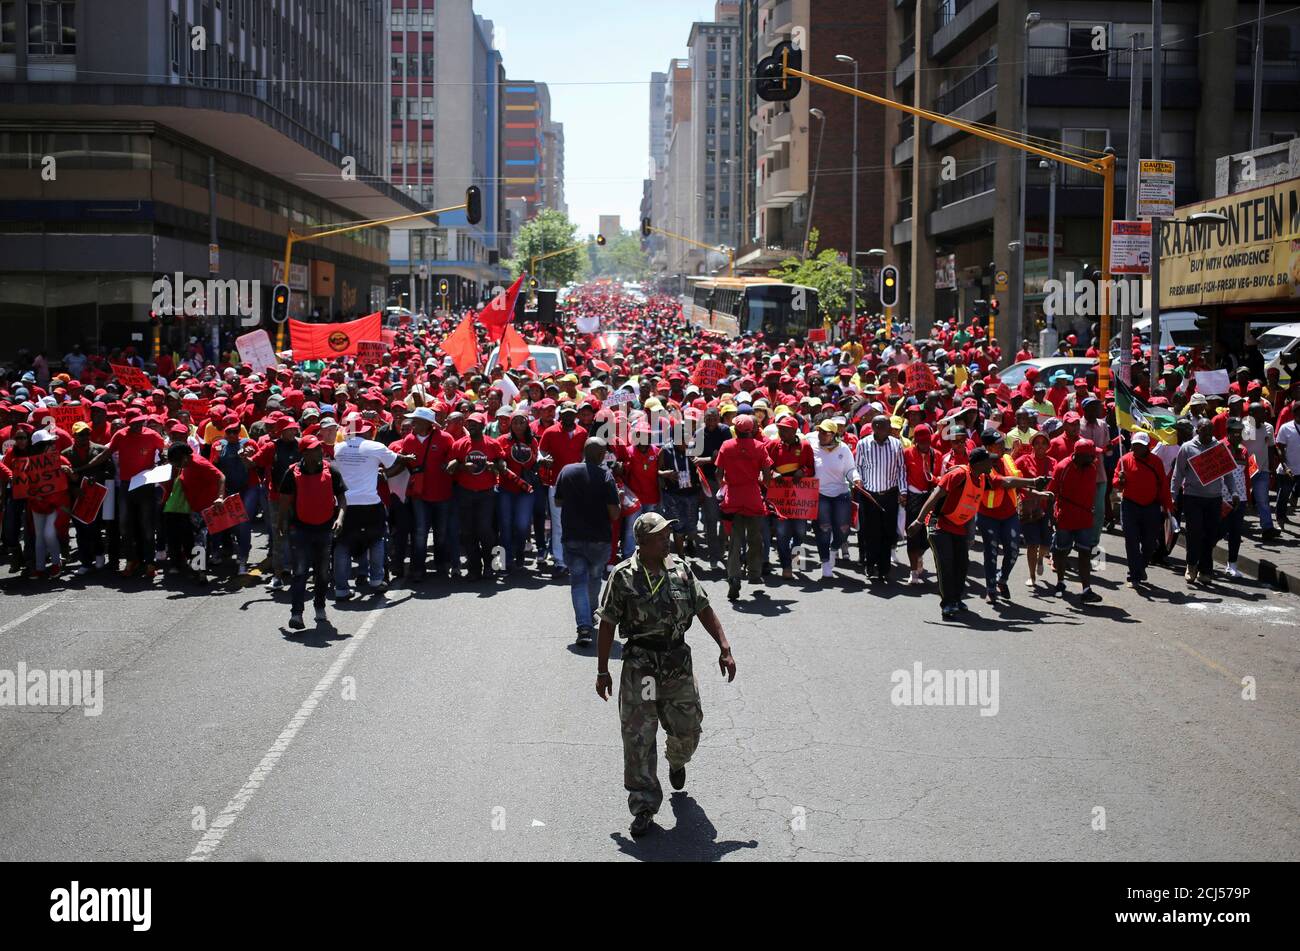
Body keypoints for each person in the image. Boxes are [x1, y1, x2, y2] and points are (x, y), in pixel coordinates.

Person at [594, 511, 735, 839]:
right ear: (642, 542)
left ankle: (677, 759)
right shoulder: (623, 576)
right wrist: (602, 670)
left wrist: (724, 647)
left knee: (688, 729)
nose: (666, 539)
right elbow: (608, 623)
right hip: (641, 665)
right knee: (639, 736)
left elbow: (703, 608)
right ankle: (643, 805)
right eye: (659, 535)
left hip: (676, 662)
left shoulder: (681, 570)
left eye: (667, 534)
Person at [907, 447, 1047, 620]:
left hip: (958, 524)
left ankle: (957, 599)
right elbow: (935, 495)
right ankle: (948, 603)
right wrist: (919, 521)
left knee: (962, 564)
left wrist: (1033, 482)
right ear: (980, 463)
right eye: (989, 461)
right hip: (938, 522)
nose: (993, 463)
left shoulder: (983, 478)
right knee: (946, 564)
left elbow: (1007, 482)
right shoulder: (958, 475)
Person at [331, 413, 411, 599]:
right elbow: (396, 460)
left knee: (342, 545)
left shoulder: (339, 447)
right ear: (365, 431)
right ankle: (376, 579)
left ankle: (341, 588)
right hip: (370, 502)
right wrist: (406, 457)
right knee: (376, 541)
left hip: (345, 505)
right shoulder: (375, 446)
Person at [554, 436, 620, 645]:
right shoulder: (606, 476)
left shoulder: (567, 471)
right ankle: (589, 614)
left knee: (578, 581)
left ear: (583, 451)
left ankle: (584, 625)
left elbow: (557, 501)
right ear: (602, 455)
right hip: (599, 539)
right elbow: (615, 514)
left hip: (572, 537)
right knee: (594, 577)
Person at [278, 435, 347, 630]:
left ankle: (319, 606)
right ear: (305, 453)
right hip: (300, 529)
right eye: (315, 449)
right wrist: (281, 523)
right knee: (300, 572)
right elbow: (284, 501)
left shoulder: (331, 471)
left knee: (322, 573)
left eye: (319, 448)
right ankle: (297, 614)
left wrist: (340, 519)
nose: (320, 451)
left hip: (325, 529)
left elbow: (342, 499)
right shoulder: (292, 473)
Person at [714, 413, 772, 601]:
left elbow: (718, 473)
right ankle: (754, 572)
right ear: (752, 430)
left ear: (736, 430)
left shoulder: (726, 446)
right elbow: (767, 474)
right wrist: (764, 484)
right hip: (753, 497)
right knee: (755, 538)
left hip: (733, 498)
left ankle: (733, 577)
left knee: (734, 542)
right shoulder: (760, 447)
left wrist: (725, 484)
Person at [1170, 418, 1230, 585]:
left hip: (1214, 498)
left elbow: (1228, 473)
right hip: (1193, 497)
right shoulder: (1187, 448)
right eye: (1204, 431)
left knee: (1210, 535)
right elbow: (1178, 474)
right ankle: (1191, 564)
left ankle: (1205, 570)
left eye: (1210, 431)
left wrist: (1234, 492)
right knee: (1194, 533)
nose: (1208, 435)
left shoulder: (1218, 447)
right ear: (1198, 430)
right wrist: (1173, 495)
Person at [446, 412, 505, 580]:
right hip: (465, 493)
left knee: (485, 530)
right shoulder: (460, 444)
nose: (471, 425)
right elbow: (451, 465)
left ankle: (489, 565)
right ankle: (474, 568)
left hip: (486, 493)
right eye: (469, 423)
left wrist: (495, 466)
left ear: (482, 426)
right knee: (467, 532)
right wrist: (463, 467)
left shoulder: (492, 444)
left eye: (475, 423)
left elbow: (501, 461)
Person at [1113, 431, 1173, 587]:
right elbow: (1116, 483)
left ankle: (1140, 567)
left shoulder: (1156, 461)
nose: (1138, 448)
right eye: (1135, 445)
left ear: (1148, 447)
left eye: (1141, 446)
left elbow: (1163, 485)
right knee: (1131, 541)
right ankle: (1134, 575)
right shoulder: (1124, 460)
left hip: (1151, 507)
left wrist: (1167, 506)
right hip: (1130, 506)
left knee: (1149, 543)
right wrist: (1119, 480)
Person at [853, 414, 906, 582]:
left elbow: (901, 470)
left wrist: (903, 491)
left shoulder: (897, 444)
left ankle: (884, 568)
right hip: (869, 496)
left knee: (888, 532)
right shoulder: (863, 444)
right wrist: (858, 480)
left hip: (889, 495)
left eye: (888, 426)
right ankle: (870, 564)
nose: (887, 430)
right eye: (883, 427)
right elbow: (857, 467)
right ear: (875, 428)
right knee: (871, 532)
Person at [975, 428, 1024, 604]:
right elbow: (1004, 482)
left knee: (1013, 551)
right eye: (998, 444)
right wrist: (1033, 483)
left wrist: (1036, 494)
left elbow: (1017, 480)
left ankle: (1002, 580)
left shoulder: (1008, 458)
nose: (1002, 446)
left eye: (1003, 443)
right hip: (988, 515)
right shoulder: (981, 466)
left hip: (1010, 513)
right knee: (991, 551)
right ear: (987, 448)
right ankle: (990, 588)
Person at [808, 419, 860, 579]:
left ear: (834, 435)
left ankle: (833, 549)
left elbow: (850, 469)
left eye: (826, 432)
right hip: (820, 494)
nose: (822, 435)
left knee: (843, 529)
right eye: (820, 431)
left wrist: (856, 478)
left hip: (841, 493)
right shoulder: (812, 446)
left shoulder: (843, 449)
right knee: (823, 529)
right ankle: (825, 562)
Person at [766, 415, 815, 578]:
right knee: (781, 532)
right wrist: (773, 474)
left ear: (794, 431)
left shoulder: (805, 446)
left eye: (785, 430)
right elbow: (765, 466)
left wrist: (804, 472)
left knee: (800, 532)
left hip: (800, 497)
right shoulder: (772, 445)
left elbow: (811, 468)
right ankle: (787, 566)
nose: (782, 432)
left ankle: (795, 553)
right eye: (780, 429)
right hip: (780, 497)